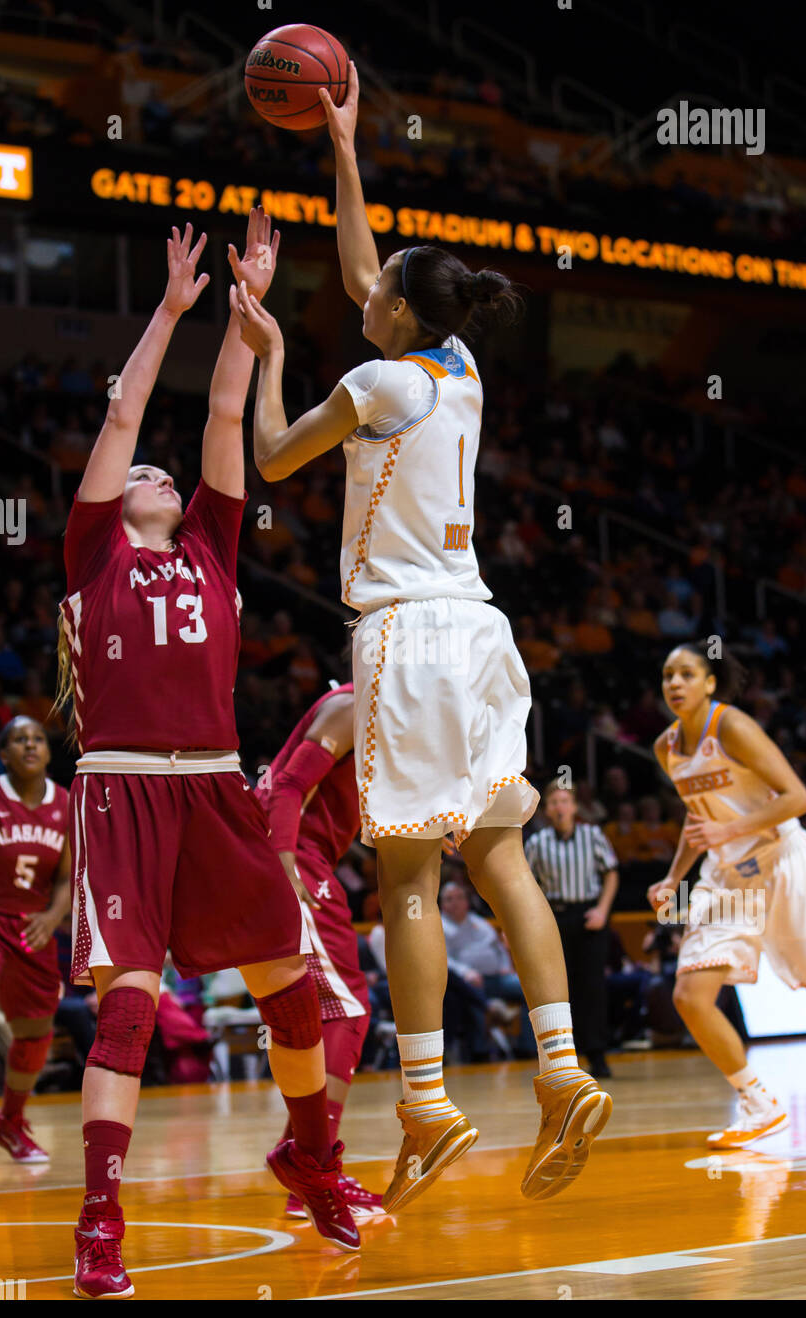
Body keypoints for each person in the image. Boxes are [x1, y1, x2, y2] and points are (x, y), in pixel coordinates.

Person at [230, 63, 611, 1212]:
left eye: (378, 290)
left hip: (404, 635)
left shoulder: (369, 381)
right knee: (495, 858)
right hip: (484, 631)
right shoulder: (455, 365)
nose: (364, 289)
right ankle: (560, 1069)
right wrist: (340, 149)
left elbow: (268, 458)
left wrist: (263, 355)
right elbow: (364, 266)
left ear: (396, 314)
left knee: (403, 879)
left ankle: (431, 1103)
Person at [54, 213, 360, 1299]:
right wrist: (171, 311)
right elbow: (129, 405)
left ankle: (312, 1159)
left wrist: (246, 312)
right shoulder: (92, 554)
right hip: (124, 790)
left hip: (214, 786)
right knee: (129, 1005)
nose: (154, 471)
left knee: (290, 988)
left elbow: (226, 410)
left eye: (160, 474)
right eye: (139, 471)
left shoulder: (213, 548)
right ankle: (101, 1223)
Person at [648, 640, 806, 1146]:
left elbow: (799, 797)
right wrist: (674, 877)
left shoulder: (732, 725)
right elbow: (699, 817)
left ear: (710, 682)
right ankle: (758, 1103)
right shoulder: (666, 747)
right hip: (728, 876)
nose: (675, 683)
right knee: (690, 997)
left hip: (783, 862)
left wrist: (729, 833)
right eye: (669, 675)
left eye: (687, 674)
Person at [255, 679, 384, 1216]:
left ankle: (305, 1172)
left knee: (321, 1012)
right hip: (292, 856)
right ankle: (314, 1167)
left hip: (304, 858)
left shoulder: (379, 716)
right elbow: (287, 786)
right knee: (348, 1010)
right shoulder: (352, 704)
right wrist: (283, 863)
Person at [0, 717, 71, 1160]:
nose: (30, 745)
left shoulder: (66, 804)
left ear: (48, 751)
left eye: (37, 738)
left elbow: (66, 878)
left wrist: (53, 916)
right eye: (19, 740)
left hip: (34, 925)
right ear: (3, 753)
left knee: (36, 1030)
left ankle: (10, 1121)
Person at [524, 781, 620, 1077]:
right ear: (546, 810)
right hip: (554, 919)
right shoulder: (537, 843)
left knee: (593, 988)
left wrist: (603, 910)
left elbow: (611, 873)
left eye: (565, 801)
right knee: (558, 991)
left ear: (575, 807)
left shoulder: (592, 836)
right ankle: (565, 1058)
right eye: (553, 802)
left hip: (588, 916)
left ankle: (598, 1055)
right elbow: (527, 886)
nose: (559, 807)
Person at [439, 881, 536, 1057]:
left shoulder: (480, 922)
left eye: (460, 898)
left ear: (467, 901)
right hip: (469, 981)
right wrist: (465, 972)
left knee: (528, 988)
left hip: (497, 977)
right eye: (449, 899)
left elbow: (498, 949)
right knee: (471, 992)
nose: (455, 903)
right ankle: (480, 1051)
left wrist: (506, 967)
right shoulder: (438, 926)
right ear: (442, 904)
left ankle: (527, 1047)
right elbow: (442, 959)